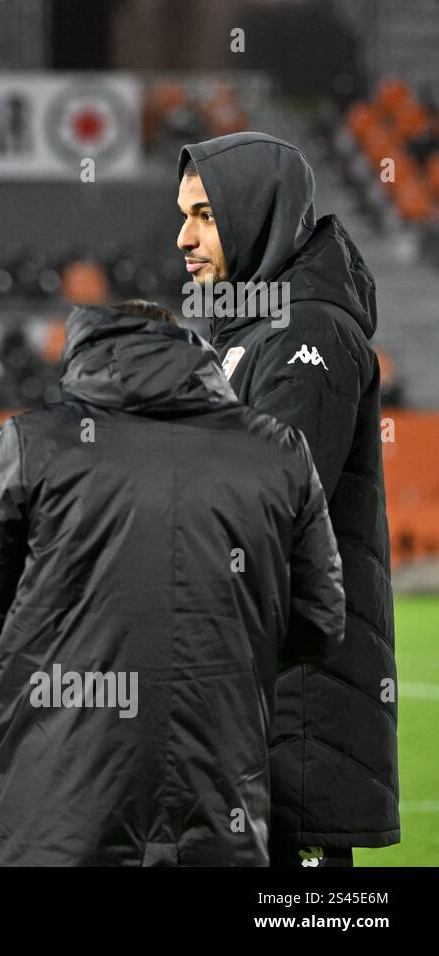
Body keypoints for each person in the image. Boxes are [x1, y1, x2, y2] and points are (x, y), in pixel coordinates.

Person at [0, 300, 346, 866]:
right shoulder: (276, 449)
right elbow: (321, 625)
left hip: (56, 815)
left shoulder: (35, 443)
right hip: (218, 809)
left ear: (83, 351)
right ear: (193, 352)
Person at [177, 132, 398, 866]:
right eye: (184, 216)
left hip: (294, 716)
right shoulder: (252, 327)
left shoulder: (305, 329)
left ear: (254, 212)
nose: (184, 238)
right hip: (254, 709)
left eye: (205, 215)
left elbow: (265, 514)